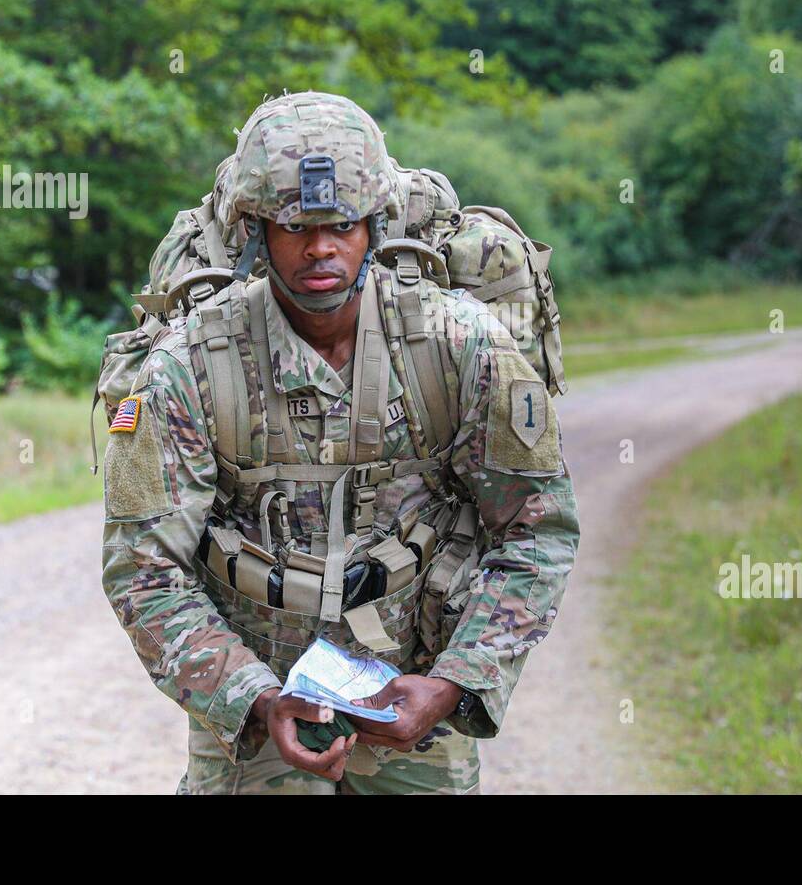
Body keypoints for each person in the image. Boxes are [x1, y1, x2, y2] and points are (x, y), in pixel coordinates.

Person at [100, 91, 580, 794]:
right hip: (256, 705)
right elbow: (143, 569)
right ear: (256, 229)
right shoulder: (191, 364)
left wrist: (452, 682)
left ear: (375, 224)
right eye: (295, 225)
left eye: (342, 224)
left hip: (416, 693)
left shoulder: (458, 345)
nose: (320, 247)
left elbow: (538, 528)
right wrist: (254, 699)